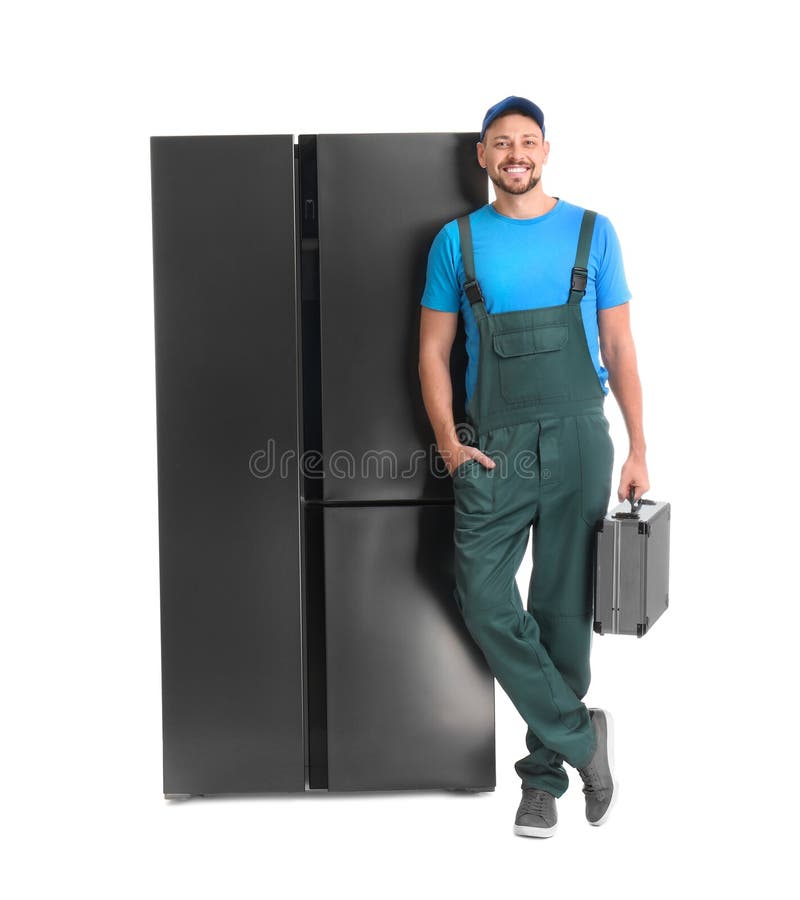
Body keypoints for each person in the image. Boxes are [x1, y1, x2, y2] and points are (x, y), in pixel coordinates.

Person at [418, 96, 649, 838]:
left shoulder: (593, 231)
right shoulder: (457, 241)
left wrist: (639, 447)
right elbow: (432, 352)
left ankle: (543, 780)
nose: (515, 154)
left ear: (545, 151)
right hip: (493, 445)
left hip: (580, 438)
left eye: (527, 141)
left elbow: (618, 347)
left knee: (561, 611)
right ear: (482, 157)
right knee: (484, 598)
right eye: (500, 143)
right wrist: (449, 442)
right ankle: (583, 737)